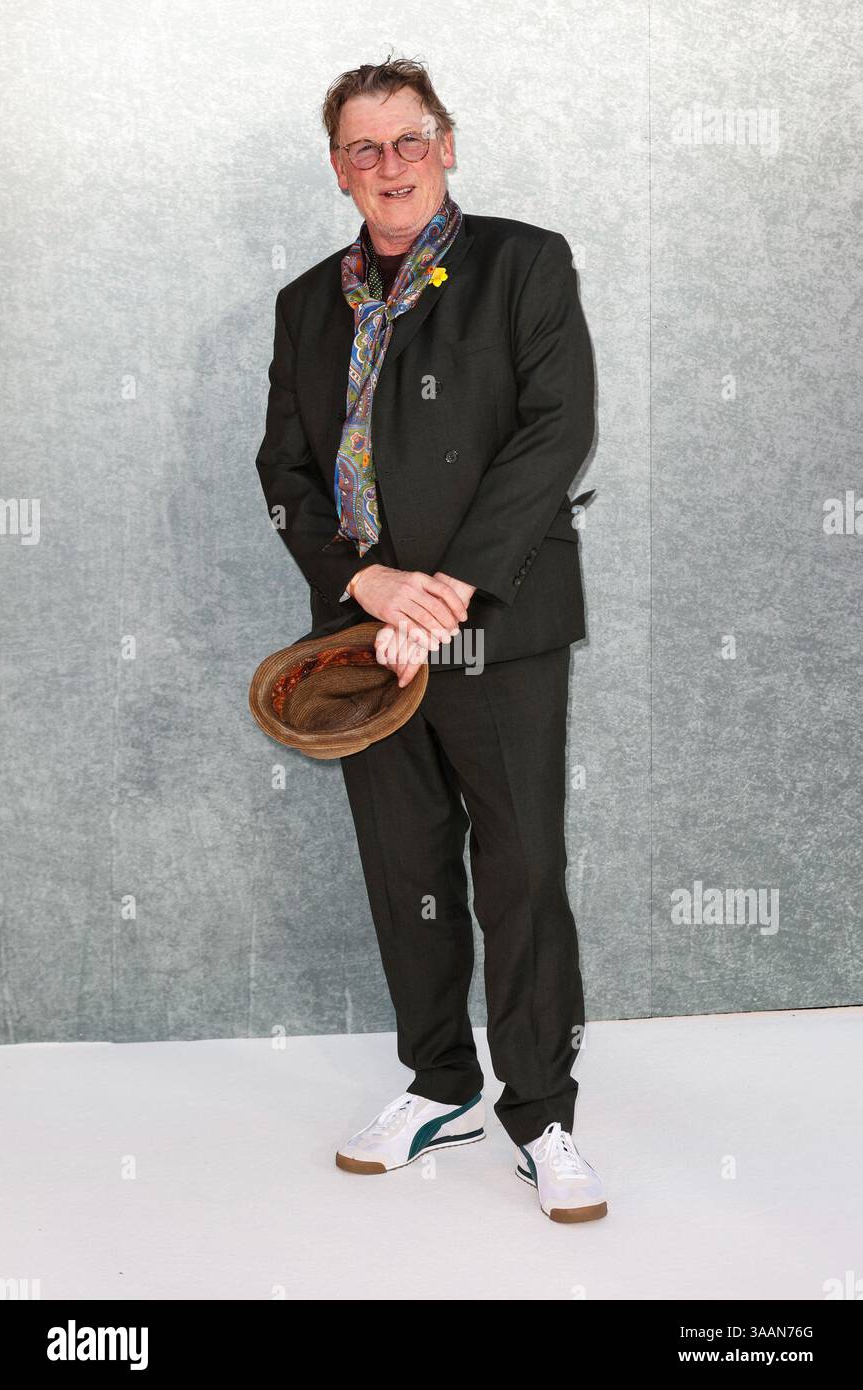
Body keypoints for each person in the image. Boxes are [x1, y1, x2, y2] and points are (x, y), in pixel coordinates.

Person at [255, 58, 605, 1223]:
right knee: (404, 871)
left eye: (407, 141)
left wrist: (444, 590)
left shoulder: (522, 263)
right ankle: (436, 1081)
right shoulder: (306, 302)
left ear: (445, 144)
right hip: (361, 641)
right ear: (338, 169)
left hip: (489, 628)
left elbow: (556, 434)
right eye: (362, 148)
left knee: (519, 870)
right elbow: (286, 472)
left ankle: (541, 1112)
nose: (387, 165)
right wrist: (367, 582)